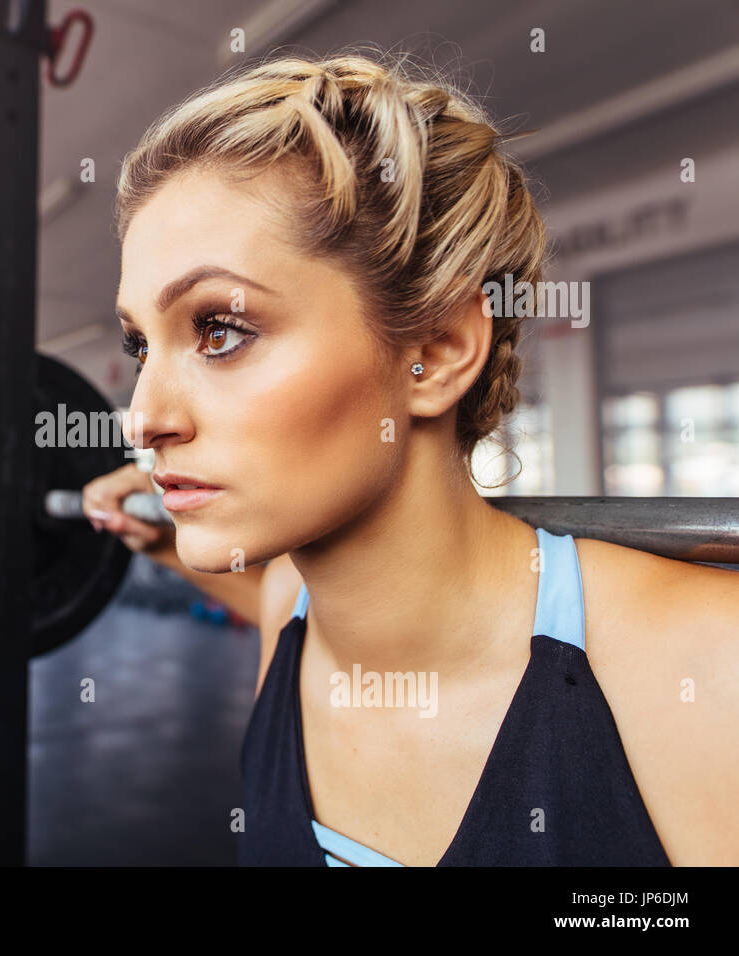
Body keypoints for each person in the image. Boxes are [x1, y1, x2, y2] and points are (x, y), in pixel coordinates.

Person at [81, 51, 738, 866]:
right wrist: (154, 532)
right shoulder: (290, 603)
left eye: (220, 329)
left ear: (437, 349)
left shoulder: (710, 669)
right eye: (141, 344)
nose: (144, 418)